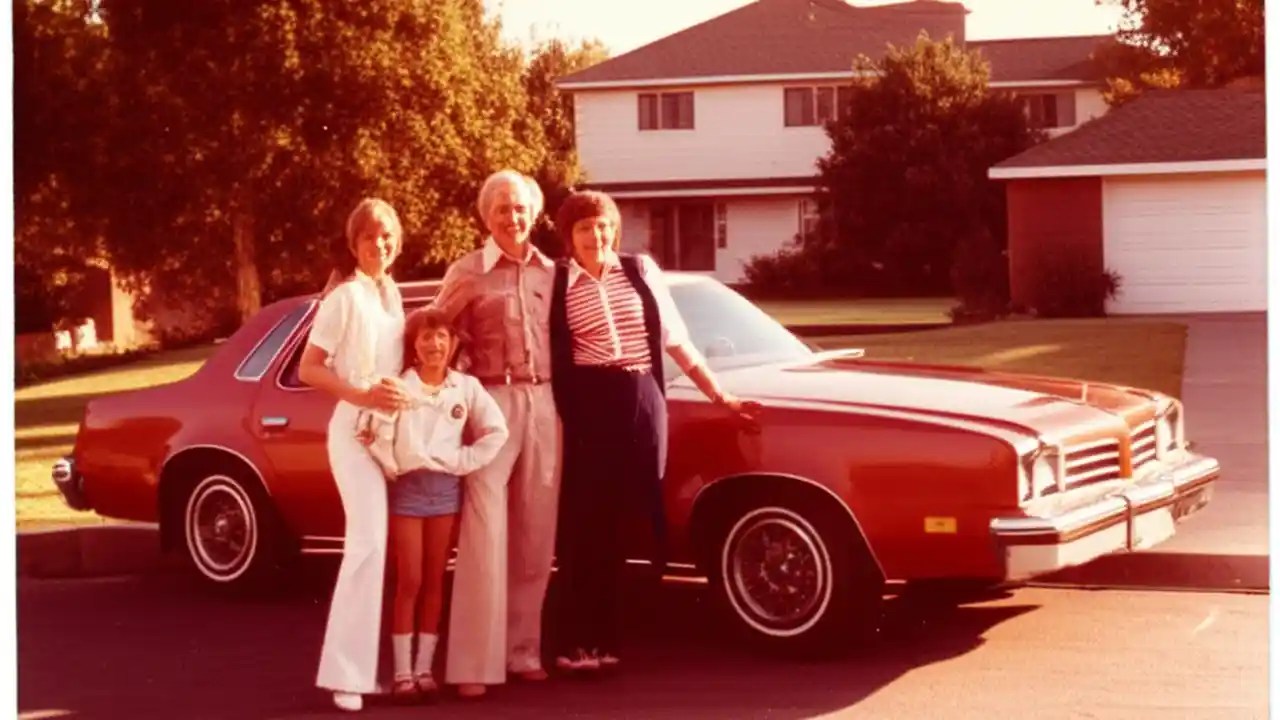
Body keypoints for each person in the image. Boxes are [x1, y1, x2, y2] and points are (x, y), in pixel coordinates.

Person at [548, 190, 759, 672]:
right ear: (569, 236)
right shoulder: (558, 282)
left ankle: (616, 638)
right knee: (588, 526)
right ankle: (576, 642)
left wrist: (720, 396)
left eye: (602, 226)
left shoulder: (640, 271)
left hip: (643, 400)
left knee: (635, 519)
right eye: (584, 228)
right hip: (590, 406)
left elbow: (677, 342)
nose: (595, 236)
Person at [432, 169, 560, 698]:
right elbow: (433, 337)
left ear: (535, 213)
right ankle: (473, 664)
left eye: (521, 208)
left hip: (544, 401)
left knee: (536, 533)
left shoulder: (552, 272)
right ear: (486, 218)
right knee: (485, 534)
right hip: (490, 400)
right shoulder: (467, 271)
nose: (513, 218)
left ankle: (523, 649)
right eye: (502, 209)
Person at [298, 198, 410, 712]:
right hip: (352, 432)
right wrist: (362, 396)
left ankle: (365, 671)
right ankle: (344, 674)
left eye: (387, 236)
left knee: (382, 549)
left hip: (389, 435)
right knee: (365, 545)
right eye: (369, 237)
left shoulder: (391, 296)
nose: (379, 245)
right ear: (354, 244)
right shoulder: (343, 297)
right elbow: (310, 368)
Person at [373, 307, 509, 702]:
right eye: (426, 337)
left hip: (446, 491)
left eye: (442, 337)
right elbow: (377, 431)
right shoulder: (400, 385)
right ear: (413, 345)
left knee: (435, 579)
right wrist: (392, 464)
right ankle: (402, 674)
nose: (434, 344)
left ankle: (424, 670)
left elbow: (496, 430)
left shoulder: (465, 388)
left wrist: (463, 462)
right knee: (410, 579)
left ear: (453, 344)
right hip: (409, 490)